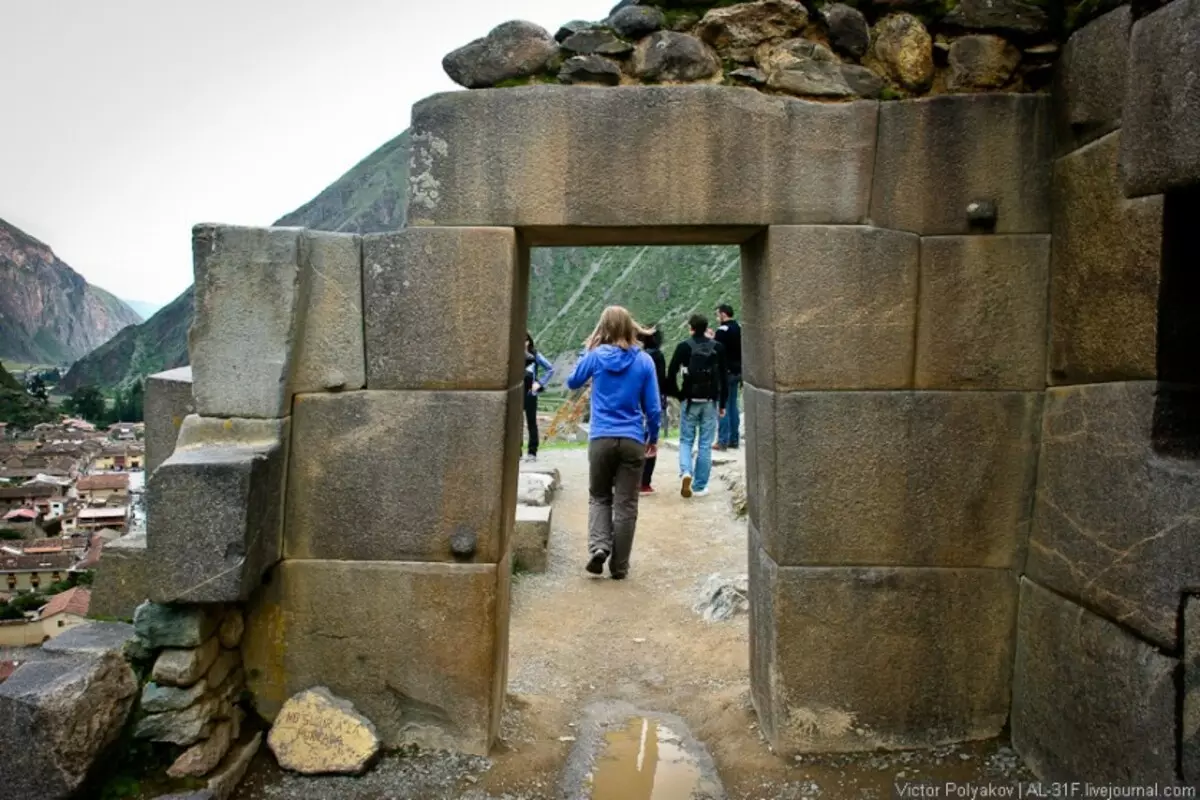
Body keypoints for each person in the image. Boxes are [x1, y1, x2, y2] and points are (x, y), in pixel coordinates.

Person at [567, 306, 661, 580]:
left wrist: (590, 350)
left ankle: (599, 547)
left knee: (599, 496)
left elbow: (573, 381)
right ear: (630, 326)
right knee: (626, 505)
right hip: (632, 439)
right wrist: (652, 438)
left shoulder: (595, 357)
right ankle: (619, 567)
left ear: (603, 328)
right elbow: (653, 409)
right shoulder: (644, 361)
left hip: (601, 438)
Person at [667, 313, 728, 498]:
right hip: (710, 401)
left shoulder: (683, 347)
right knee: (705, 444)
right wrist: (722, 403)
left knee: (686, 440)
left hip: (690, 401)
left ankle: (686, 472)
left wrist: (679, 395)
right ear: (706, 326)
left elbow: (671, 374)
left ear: (690, 327)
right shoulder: (718, 347)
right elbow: (724, 378)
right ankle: (700, 486)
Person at [637, 325, 669, 495]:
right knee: (651, 439)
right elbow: (662, 379)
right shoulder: (658, 356)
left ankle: (633, 478)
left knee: (637, 438)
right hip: (654, 399)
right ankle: (645, 482)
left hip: (637, 400)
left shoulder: (640, 356)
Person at [713, 304, 743, 450]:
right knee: (733, 405)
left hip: (725, 373)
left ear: (723, 315)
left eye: (717, 315)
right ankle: (734, 439)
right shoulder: (739, 327)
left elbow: (717, 350)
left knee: (723, 406)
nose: (717, 318)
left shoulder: (722, 331)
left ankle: (722, 440)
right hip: (738, 371)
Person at [523, 333, 555, 462]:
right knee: (515, 423)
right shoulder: (513, 354)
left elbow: (550, 369)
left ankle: (532, 452)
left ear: (528, 342)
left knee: (531, 422)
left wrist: (540, 383)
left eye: (525, 340)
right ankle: (516, 452)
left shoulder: (535, 355)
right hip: (516, 391)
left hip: (530, 392)